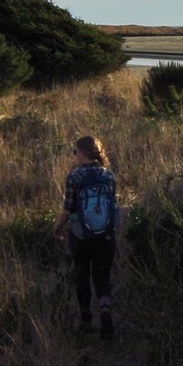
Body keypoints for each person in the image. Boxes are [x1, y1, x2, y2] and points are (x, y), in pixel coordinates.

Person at [53, 134, 118, 340]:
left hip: (80, 235)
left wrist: (57, 225)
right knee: (102, 276)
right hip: (106, 235)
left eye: (75, 151)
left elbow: (68, 207)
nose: (74, 155)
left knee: (81, 275)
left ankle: (86, 319)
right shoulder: (109, 175)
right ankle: (106, 314)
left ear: (82, 153)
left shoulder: (74, 177)